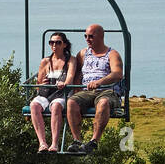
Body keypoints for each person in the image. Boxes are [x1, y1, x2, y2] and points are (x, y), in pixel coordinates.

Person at [66, 23, 124, 154]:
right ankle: (77, 141)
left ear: (101, 36)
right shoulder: (83, 53)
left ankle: (93, 141)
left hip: (107, 90)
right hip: (87, 91)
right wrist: (76, 90)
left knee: (103, 103)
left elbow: (117, 74)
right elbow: (78, 73)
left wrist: (99, 82)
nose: (87, 39)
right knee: (71, 102)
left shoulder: (112, 54)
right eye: (85, 36)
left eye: (91, 36)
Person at [30, 31, 74, 153]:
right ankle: (42, 143)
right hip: (46, 92)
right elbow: (39, 83)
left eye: (58, 42)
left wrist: (64, 83)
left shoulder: (70, 60)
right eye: (51, 42)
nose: (54, 45)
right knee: (34, 105)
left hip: (61, 93)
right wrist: (42, 82)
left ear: (64, 45)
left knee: (56, 106)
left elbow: (70, 76)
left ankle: (54, 144)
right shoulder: (45, 61)